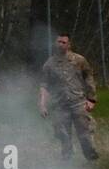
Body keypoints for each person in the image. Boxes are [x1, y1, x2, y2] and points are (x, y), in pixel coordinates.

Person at [38, 33, 100, 161]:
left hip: (78, 102)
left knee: (85, 133)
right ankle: (67, 158)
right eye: (58, 42)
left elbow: (89, 78)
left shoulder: (79, 60)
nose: (60, 44)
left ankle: (91, 157)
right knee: (63, 134)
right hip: (60, 105)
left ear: (69, 45)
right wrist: (42, 104)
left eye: (63, 42)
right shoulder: (49, 64)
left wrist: (91, 99)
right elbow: (44, 85)